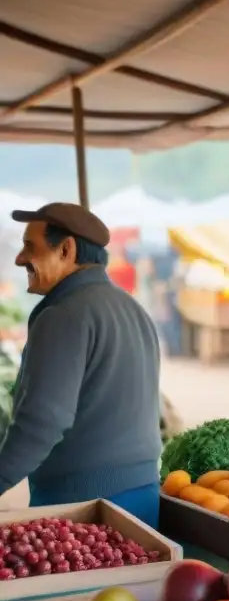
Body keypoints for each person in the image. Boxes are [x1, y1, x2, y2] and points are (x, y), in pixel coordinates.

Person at [0, 204, 162, 526]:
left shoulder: (62, 315)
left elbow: (40, 423)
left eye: (29, 247)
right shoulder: (133, 309)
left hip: (84, 506)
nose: (19, 258)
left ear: (66, 249)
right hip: (143, 496)